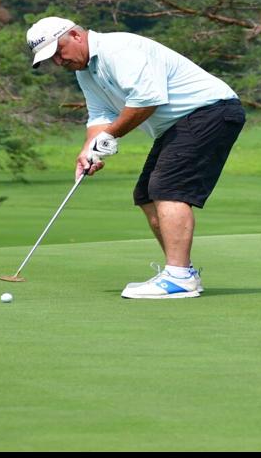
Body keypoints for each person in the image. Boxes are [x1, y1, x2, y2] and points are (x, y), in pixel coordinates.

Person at [25, 16, 246, 299]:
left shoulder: (119, 49)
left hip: (209, 111)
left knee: (168, 190)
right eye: (51, 59)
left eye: (59, 52)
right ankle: (182, 273)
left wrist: (111, 136)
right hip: (179, 123)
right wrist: (88, 151)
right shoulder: (85, 72)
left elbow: (147, 99)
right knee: (146, 195)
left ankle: (178, 277)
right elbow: (101, 116)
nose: (58, 61)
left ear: (77, 36)